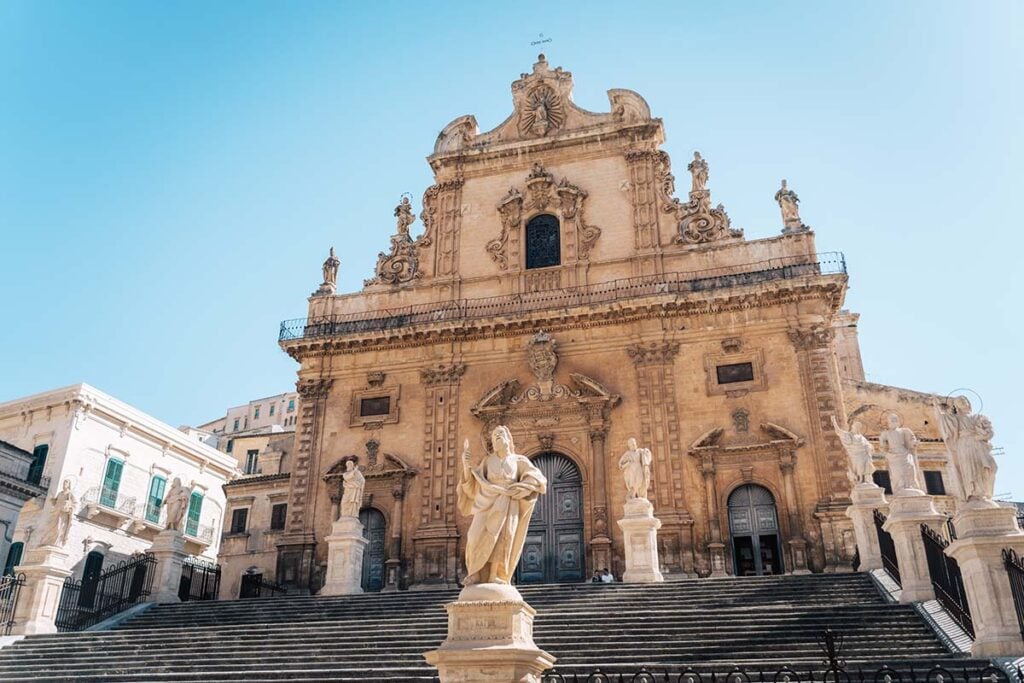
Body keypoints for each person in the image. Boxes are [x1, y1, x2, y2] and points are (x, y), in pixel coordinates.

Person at [458, 426, 547, 586]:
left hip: (508, 503)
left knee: (504, 539)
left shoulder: (519, 461)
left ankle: (495, 575)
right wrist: (466, 466)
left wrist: (520, 488)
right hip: (487, 502)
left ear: (508, 438)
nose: (497, 437)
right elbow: (473, 484)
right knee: (473, 535)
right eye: (494, 436)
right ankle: (474, 573)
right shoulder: (487, 461)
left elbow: (538, 479)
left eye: (500, 434)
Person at [933, 397, 997, 504]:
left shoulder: (979, 417)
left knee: (991, 467)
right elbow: (943, 420)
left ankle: (986, 492)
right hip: (964, 444)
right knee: (970, 469)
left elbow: (990, 431)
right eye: (959, 401)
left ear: (969, 402)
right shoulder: (955, 418)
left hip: (978, 444)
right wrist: (936, 406)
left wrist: (981, 436)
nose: (962, 402)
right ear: (956, 406)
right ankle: (975, 493)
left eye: (964, 400)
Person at [878, 413, 923, 494]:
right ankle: (900, 487)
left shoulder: (905, 430)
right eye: (891, 419)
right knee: (897, 472)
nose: (893, 420)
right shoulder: (885, 433)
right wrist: (884, 447)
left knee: (910, 468)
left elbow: (911, 440)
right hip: (893, 455)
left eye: (895, 419)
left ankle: (910, 486)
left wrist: (915, 443)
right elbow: (882, 446)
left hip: (904, 452)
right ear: (888, 422)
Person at [831, 415, 875, 484]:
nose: (857, 428)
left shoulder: (861, 437)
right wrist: (834, 421)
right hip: (856, 455)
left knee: (866, 468)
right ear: (852, 427)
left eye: (858, 427)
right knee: (859, 467)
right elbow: (839, 432)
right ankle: (860, 480)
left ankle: (866, 481)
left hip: (865, 455)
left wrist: (869, 447)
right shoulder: (849, 435)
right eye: (856, 426)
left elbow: (868, 444)